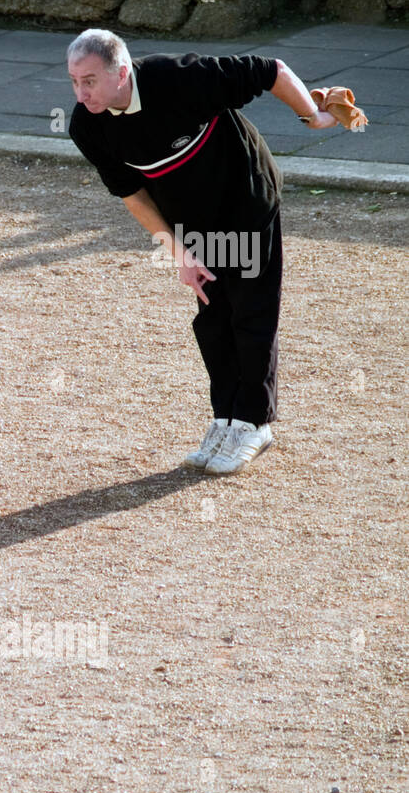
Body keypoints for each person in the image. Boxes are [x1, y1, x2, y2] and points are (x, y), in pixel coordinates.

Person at [65, 29, 342, 474]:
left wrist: (312, 116)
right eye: (74, 82)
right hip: (192, 222)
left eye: (90, 81)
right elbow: (133, 194)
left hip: (245, 201)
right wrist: (179, 253)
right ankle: (226, 418)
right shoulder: (88, 125)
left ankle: (254, 423)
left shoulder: (180, 78)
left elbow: (271, 71)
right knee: (213, 319)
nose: (81, 94)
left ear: (120, 73)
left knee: (249, 312)